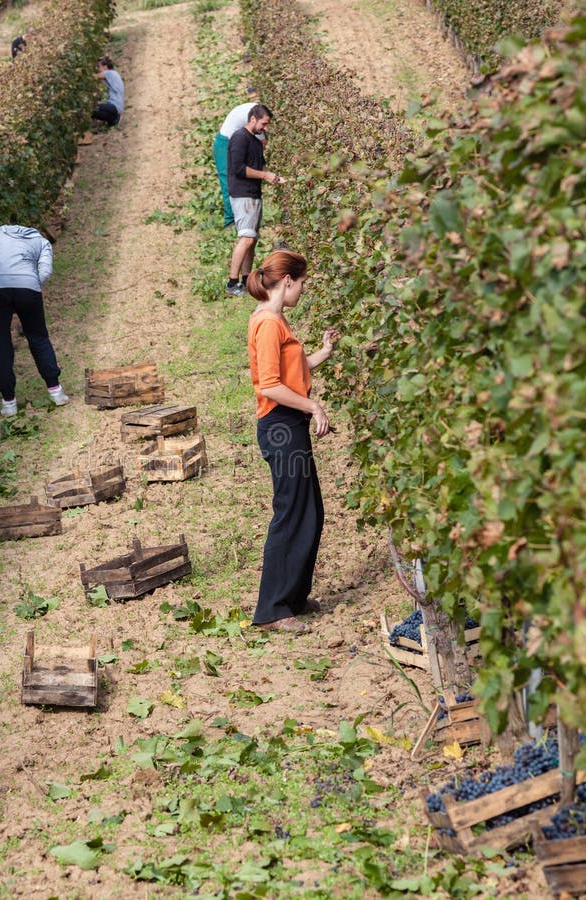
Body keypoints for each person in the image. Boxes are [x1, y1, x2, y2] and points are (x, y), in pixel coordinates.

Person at [246, 250, 339, 634]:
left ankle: (293, 598)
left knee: (309, 511)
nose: (303, 289)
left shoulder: (276, 320)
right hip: (281, 426)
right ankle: (272, 610)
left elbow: (292, 371)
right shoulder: (268, 324)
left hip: (288, 422)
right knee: (290, 514)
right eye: (302, 283)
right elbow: (270, 385)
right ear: (287, 281)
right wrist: (313, 406)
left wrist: (324, 352)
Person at [0, 224, 69, 416]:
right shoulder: (42, 242)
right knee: (38, 337)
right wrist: (30, 282)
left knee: (0, 342)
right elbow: (46, 272)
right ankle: (56, 392)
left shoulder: (1, 231)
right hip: (27, 288)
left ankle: (8, 403)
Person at [226, 104, 284, 297]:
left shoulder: (256, 142)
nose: (265, 128)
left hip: (254, 194)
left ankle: (246, 280)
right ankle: (232, 283)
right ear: (253, 119)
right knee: (247, 238)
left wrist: (274, 177)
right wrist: (264, 176)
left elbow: (262, 168)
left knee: (252, 240)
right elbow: (238, 168)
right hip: (242, 194)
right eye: (264, 124)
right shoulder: (239, 138)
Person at [212, 101, 267, 229]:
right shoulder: (250, 117)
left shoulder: (255, 111)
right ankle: (231, 222)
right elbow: (262, 142)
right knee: (229, 182)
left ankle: (241, 217)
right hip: (225, 144)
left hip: (233, 142)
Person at [92, 56, 124, 127]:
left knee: (89, 109)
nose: (98, 69)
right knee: (94, 112)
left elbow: (93, 77)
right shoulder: (114, 74)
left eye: (99, 66)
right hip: (117, 110)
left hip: (114, 107)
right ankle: (113, 120)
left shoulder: (109, 73)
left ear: (105, 67)